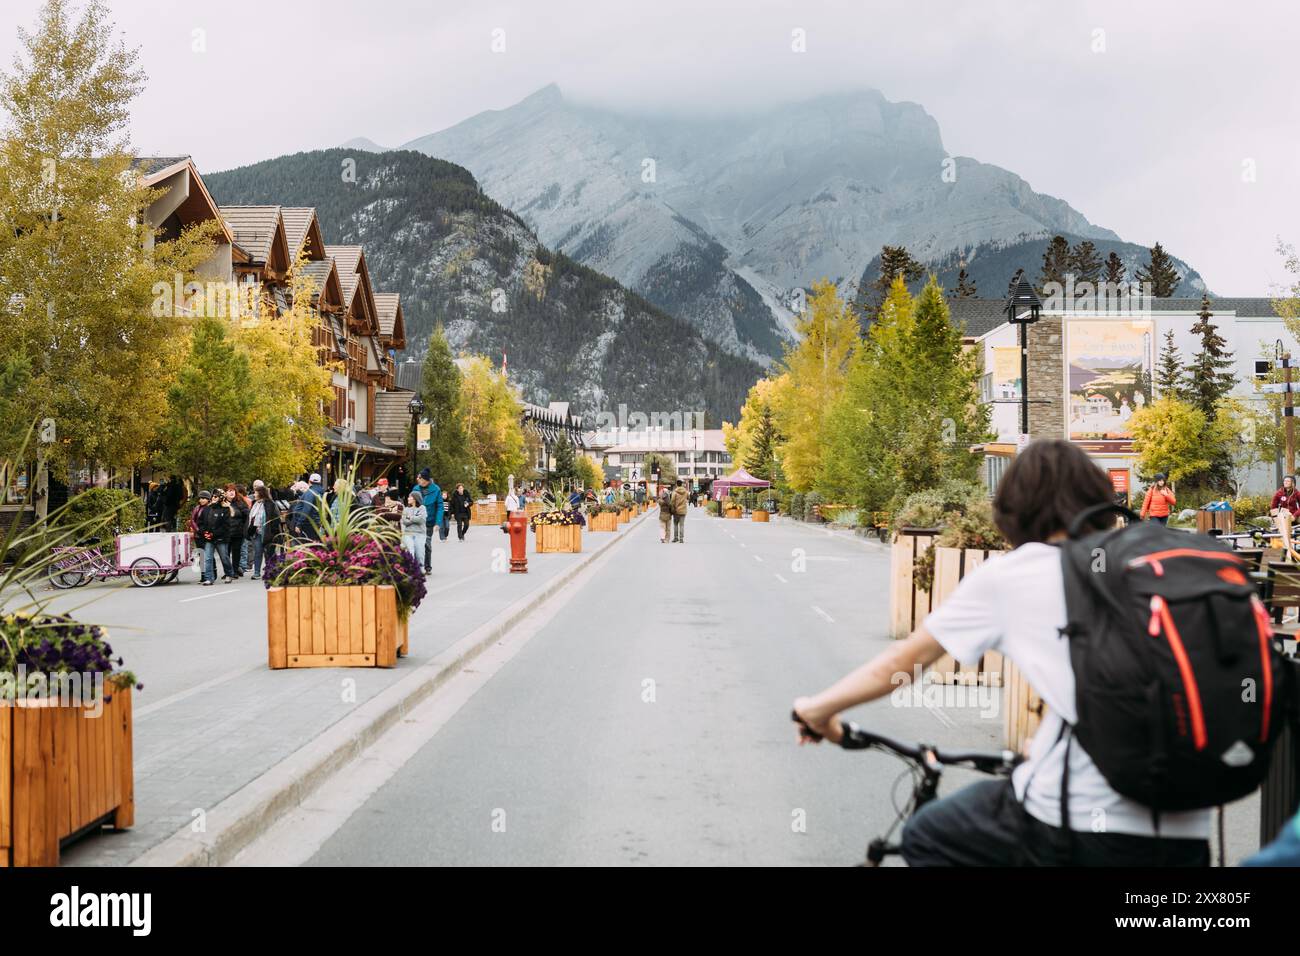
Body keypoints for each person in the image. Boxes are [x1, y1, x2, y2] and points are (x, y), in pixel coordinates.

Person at [792, 439, 1212, 866]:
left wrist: (818, 710)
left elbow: (902, 664)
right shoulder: (1156, 568)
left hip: (1078, 823)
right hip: (1188, 830)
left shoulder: (1019, 572)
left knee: (927, 833)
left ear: (1017, 508)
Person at [196, 490, 234, 585]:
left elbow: (226, 527)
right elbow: (200, 523)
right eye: (213, 496)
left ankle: (229, 574)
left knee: (224, 557)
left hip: (221, 539)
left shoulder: (225, 510)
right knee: (208, 558)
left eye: (216, 496)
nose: (213, 498)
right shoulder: (207, 509)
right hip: (208, 538)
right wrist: (204, 532)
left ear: (221, 498)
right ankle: (209, 578)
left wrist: (213, 534)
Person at [247, 484, 275, 580]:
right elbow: (251, 518)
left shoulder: (270, 504)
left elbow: (275, 518)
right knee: (258, 552)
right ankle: (256, 572)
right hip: (257, 531)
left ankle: (270, 571)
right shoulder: (255, 503)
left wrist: (274, 532)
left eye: (255, 492)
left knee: (268, 552)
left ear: (261, 493)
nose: (254, 494)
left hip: (267, 531)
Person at [1270, 475, 1300, 562]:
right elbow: (1273, 507)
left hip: (1294, 515)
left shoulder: (1297, 493)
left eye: (1288, 481)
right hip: (1283, 516)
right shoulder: (1279, 493)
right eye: (1285, 481)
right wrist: (1276, 518)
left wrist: (1295, 516)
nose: (1286, 482)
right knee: (1276, 530)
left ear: (1293, 483)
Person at [225, 484, 250, 577]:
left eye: (233, 490)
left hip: (237, 532)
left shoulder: (240, 502)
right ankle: (227, 572)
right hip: (225, 532)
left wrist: (244, 528)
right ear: (225, 493)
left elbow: (247, 515)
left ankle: (235, 571)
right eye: (229, 491)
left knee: (236, 552)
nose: (231, 492)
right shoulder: (222, 503)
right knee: (225, 553)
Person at [291, 473, 324, 541]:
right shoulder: (320, 492)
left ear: (309, 482)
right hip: (315, 522)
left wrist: (299, 524)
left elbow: (307, 509)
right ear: (320, 482)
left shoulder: (310, 492)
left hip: (307, 525)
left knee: (307, 547)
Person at [400, 493, 427, 566]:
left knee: (419, 554)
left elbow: (421, 520)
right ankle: (411, 570)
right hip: (408, 533)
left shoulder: (422, 508)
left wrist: (410, 517)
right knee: (410, 551)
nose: (408, 498)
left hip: (420, 533)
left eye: (410, 497)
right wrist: (415, 517)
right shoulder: (406, 509)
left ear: (415, 499)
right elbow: (404, 521)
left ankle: (421, 570)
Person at [670, 479, 689, 543]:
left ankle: (675, 538)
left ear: (676, 484)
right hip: (683, 510)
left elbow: (672, 501)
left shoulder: (674, 492)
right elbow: (688, 498)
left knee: (675, 524)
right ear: (682, 484)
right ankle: (681, 539)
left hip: (676, 511)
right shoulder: (685, 491)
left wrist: (672, 509)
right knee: (682, 525)